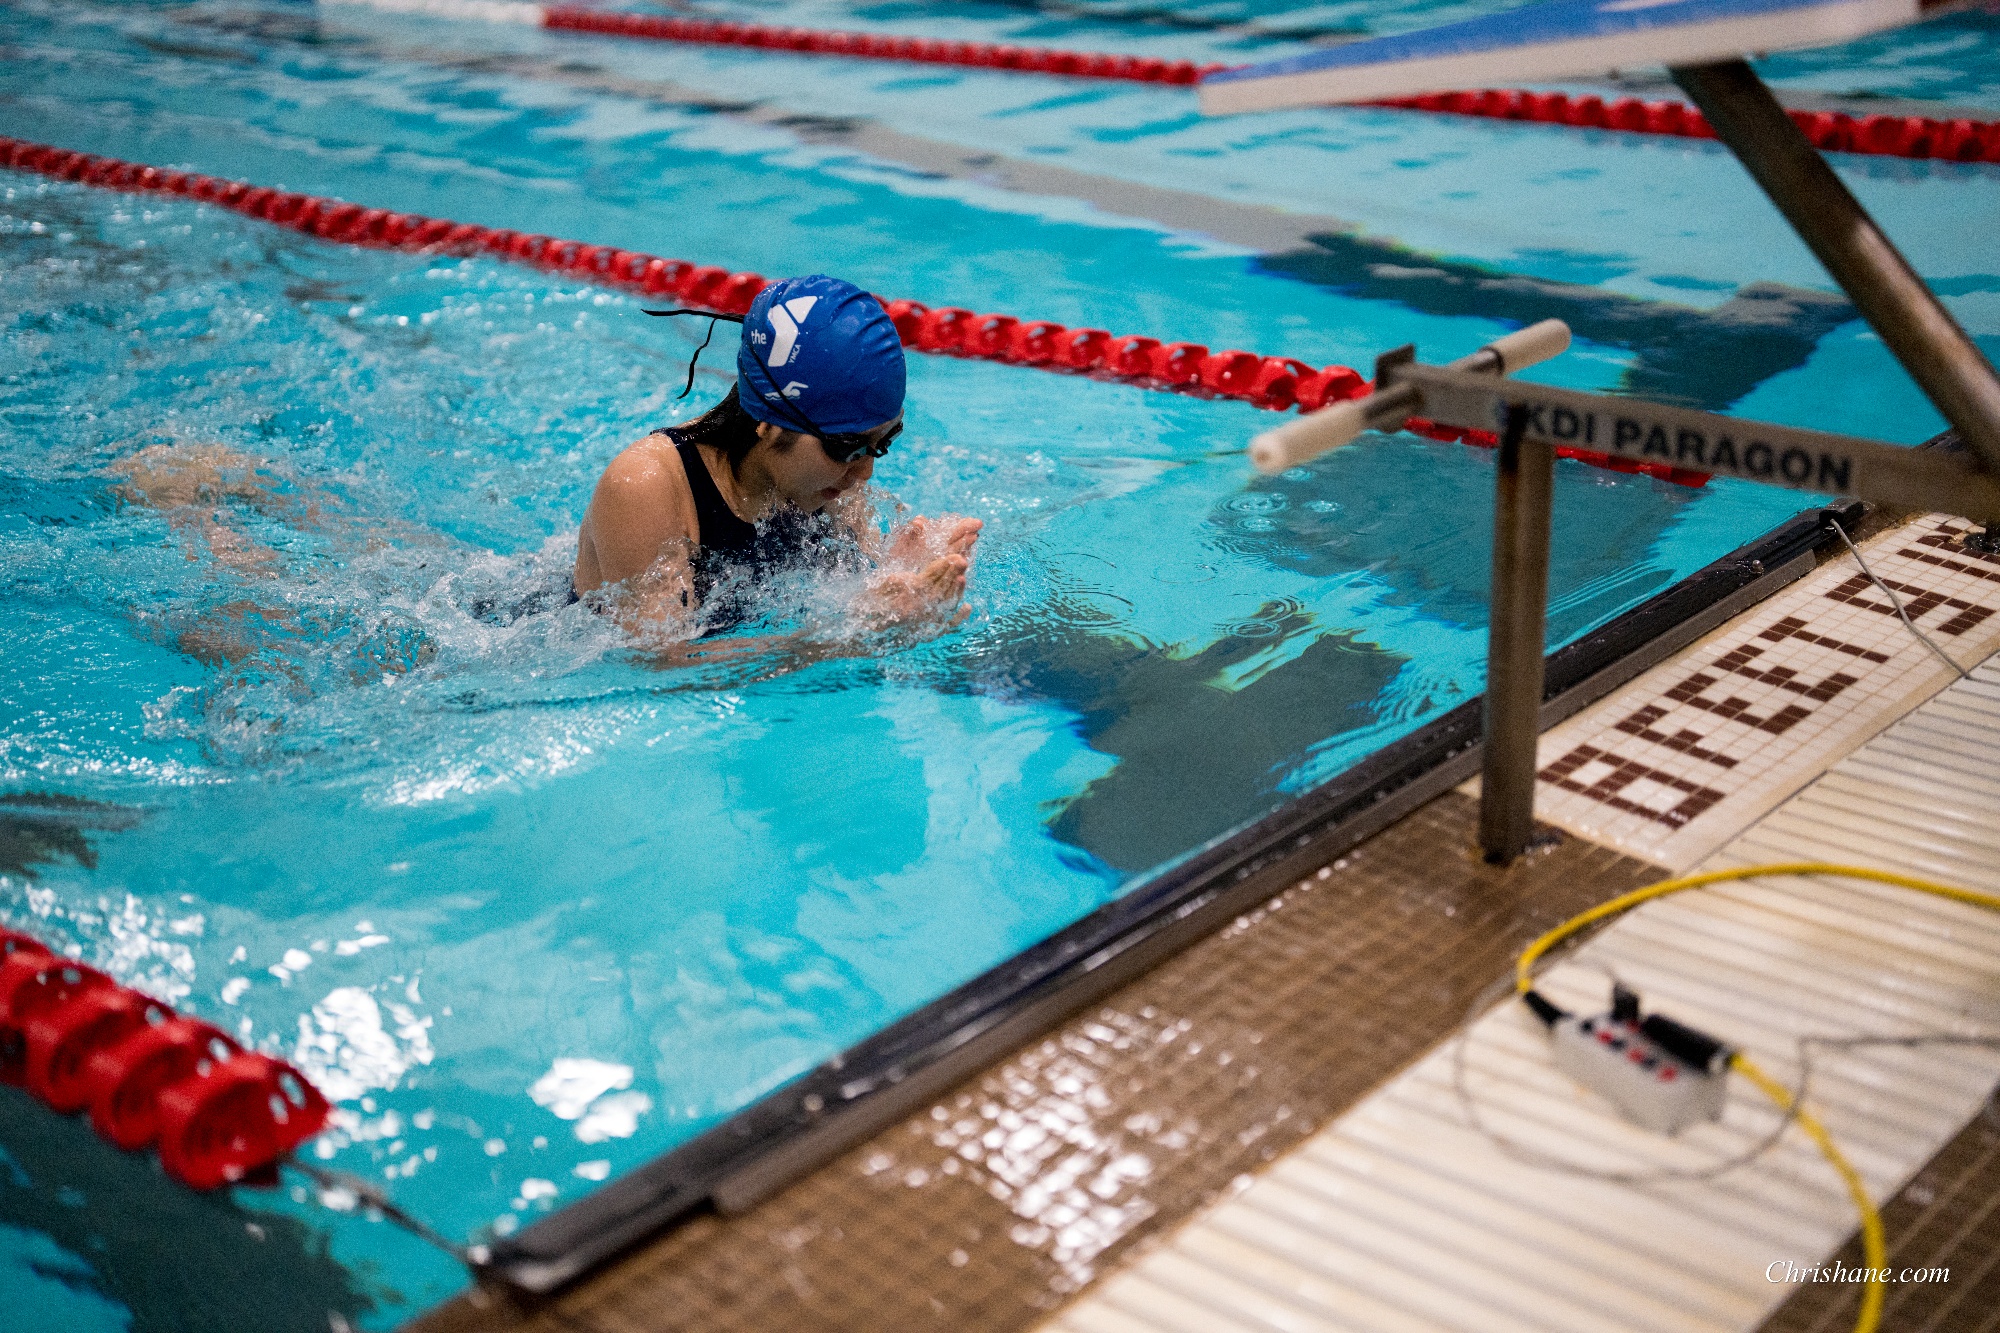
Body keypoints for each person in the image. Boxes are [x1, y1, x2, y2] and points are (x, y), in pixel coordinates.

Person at [573, 275, 980, 653]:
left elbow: (859, 600)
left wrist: (902, 578)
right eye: (847, 446)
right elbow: (657, 666)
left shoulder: (827, 483)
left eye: (883, 442)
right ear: (768, 425)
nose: (864, 472)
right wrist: (847, 638)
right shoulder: (647, 486)